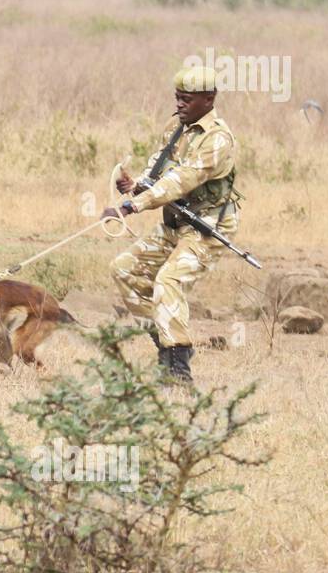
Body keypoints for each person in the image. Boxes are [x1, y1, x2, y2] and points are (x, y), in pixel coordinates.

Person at [102, 65, 239, 384]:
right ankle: (167, 344)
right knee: (124, 269)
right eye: (177, 98)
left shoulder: (217, 139)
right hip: (176, 223)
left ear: (209, 98)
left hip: (207, 228)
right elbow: (159, 169)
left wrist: (133, 205)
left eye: (187, 99)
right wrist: (135, 185)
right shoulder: (176, 127)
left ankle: (178, 369)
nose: (179, 105)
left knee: (168, 281)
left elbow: (181, 180)